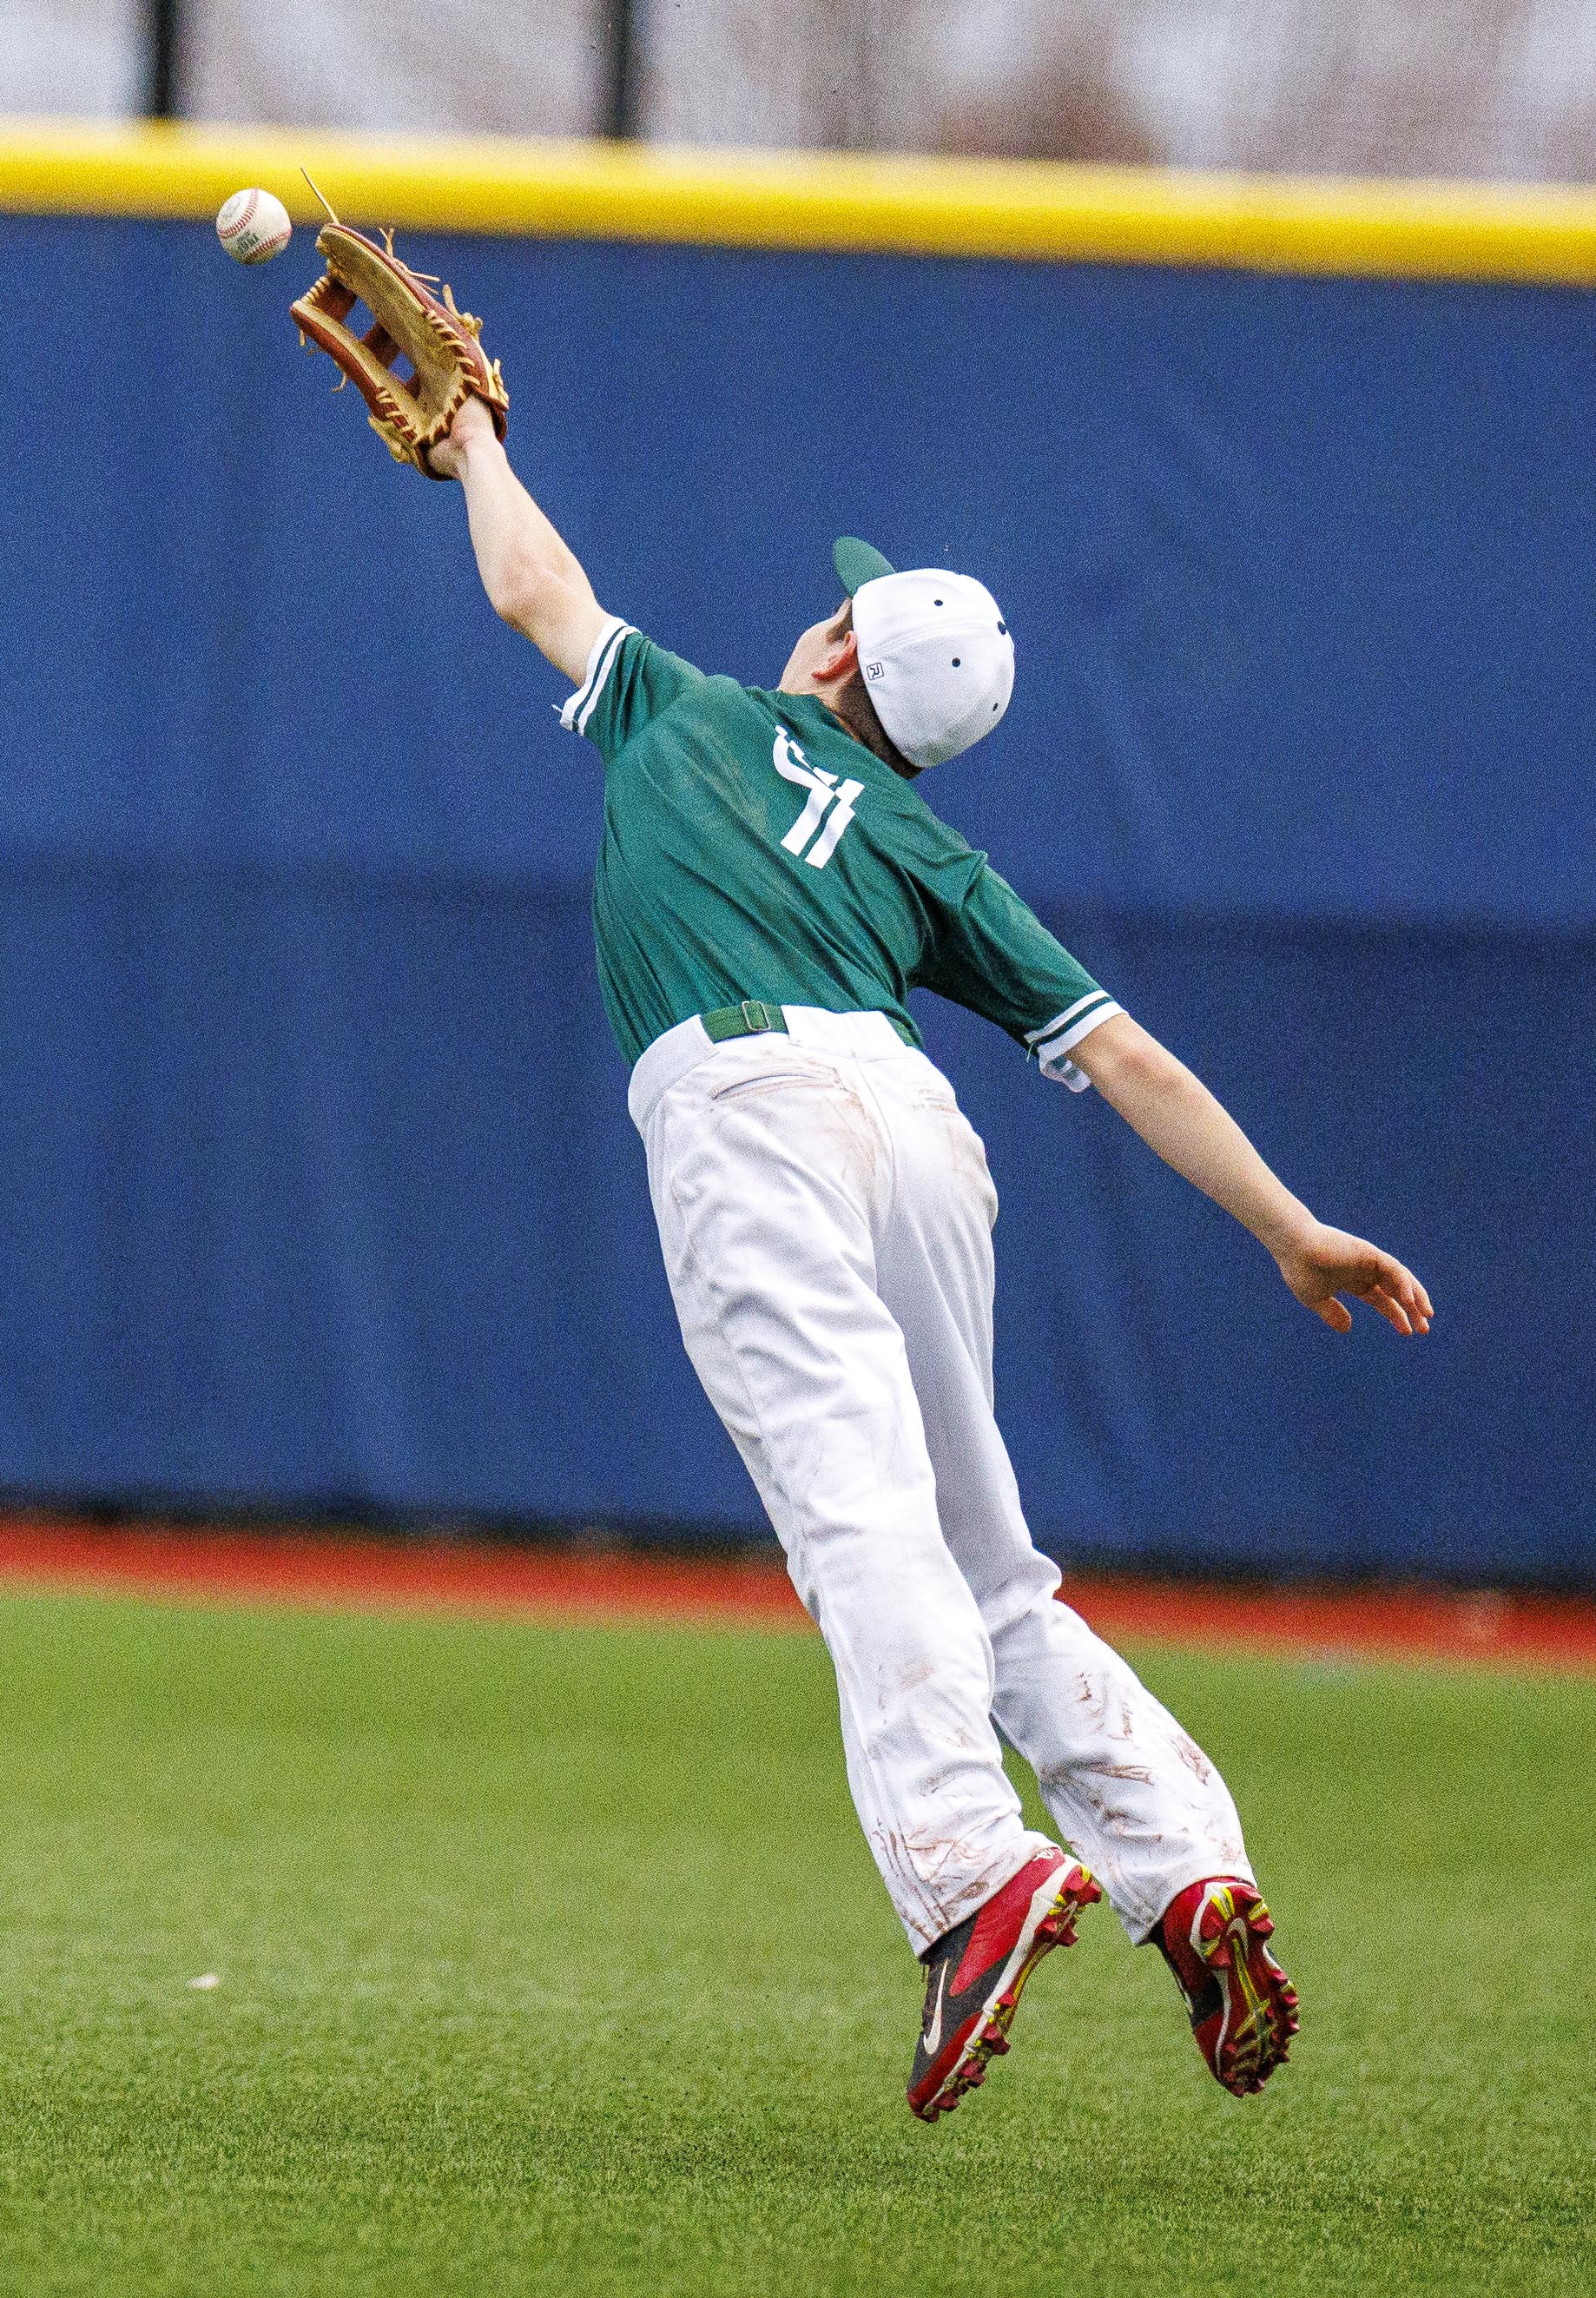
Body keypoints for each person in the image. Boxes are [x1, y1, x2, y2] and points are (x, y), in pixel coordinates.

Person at [429, 396, 1432, 2123]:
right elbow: (1127, 1056)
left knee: (857, 1521)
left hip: (749, 1109)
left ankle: (972, 1870)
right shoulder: (924, 845)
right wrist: (1286, 1225)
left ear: (834, 649)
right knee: (988, 1566)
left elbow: (533, 587)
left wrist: (470, 446)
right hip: (913, 1127)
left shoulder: (690, 709)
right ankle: (1186, 1864)